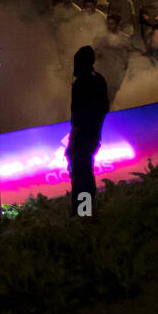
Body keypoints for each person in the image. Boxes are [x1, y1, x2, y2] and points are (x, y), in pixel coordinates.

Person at [67, 46, 110, 217]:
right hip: (95, 133)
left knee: (80, 175)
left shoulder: (80, 83)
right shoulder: (99, 79)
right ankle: (87, 210)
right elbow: (105, 107)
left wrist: (72, 142)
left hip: (83, 135)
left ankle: (82, 212)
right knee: (87, 172)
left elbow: (77, 115)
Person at [93, 13, 132, 109]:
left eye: (112, 24)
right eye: (108, 24)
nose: (110, 26)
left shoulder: (124, 38)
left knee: (112, 95)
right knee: (101, 93)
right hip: (103, 69)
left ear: (118, 25)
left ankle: (110, 112)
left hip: (116, 70)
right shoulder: (101, 36)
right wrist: (97, 55)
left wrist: (126, 63)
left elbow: (127, 52)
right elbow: (95, 50)